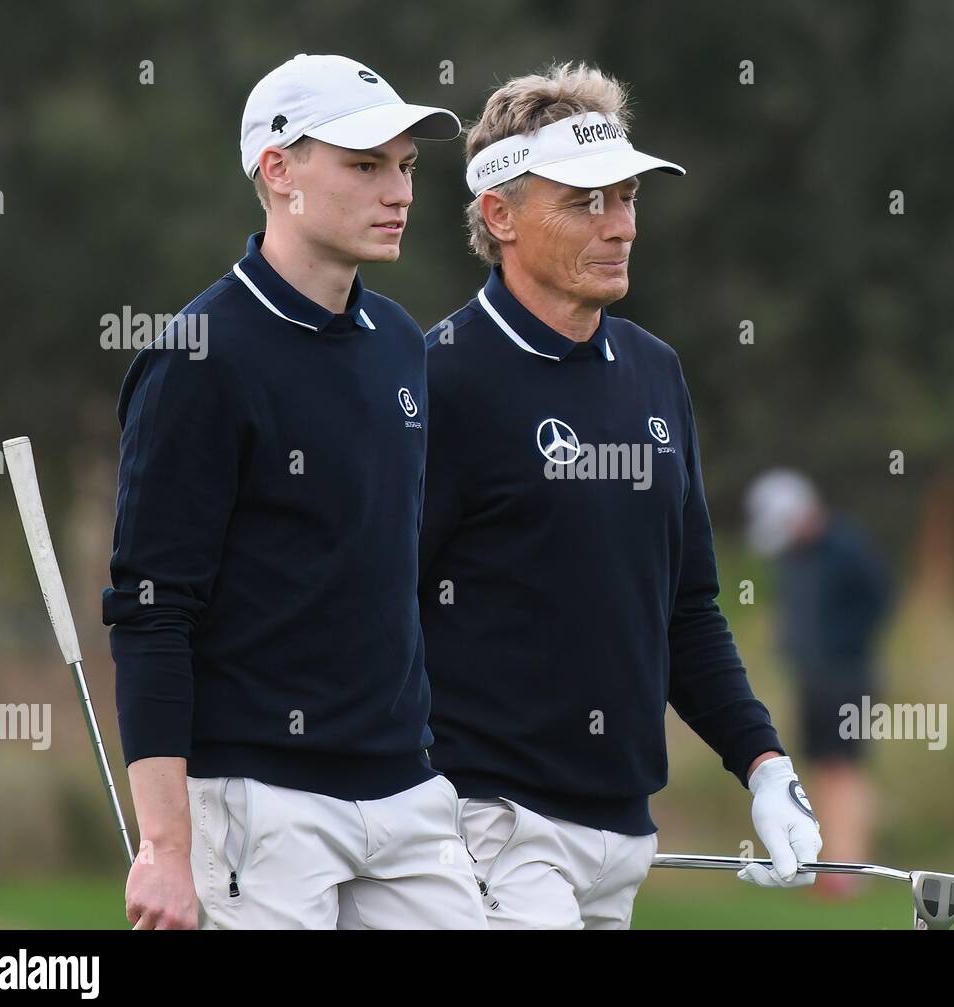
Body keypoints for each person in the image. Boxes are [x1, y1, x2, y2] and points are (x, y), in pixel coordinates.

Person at [418, 63, 823, 930]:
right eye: (585, 203)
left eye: (629, 197)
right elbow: (377, 604)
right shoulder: (440, 377)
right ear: (500, 215)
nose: (622, 227)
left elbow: (686, 607)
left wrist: (762, 763)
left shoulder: (653, 370)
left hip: (622, 831)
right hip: (487, 825)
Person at [102, 53, 484, 929]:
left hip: (408, 793)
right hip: (256, 807)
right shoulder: (200, 356)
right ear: (277, 172)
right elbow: (152, 609)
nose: (400, 193)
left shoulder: (398, 341)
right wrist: (165, 845)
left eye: (406, 166)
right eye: (364, 165)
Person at [745, 468, 894, 898]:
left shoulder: (848, 546)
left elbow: (881, 599)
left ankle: (845, 873)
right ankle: (823, 865)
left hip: (850, 678)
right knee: (820, 768)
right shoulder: (795, 556)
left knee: (844, 769)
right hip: (812, 679)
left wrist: (837, 646)